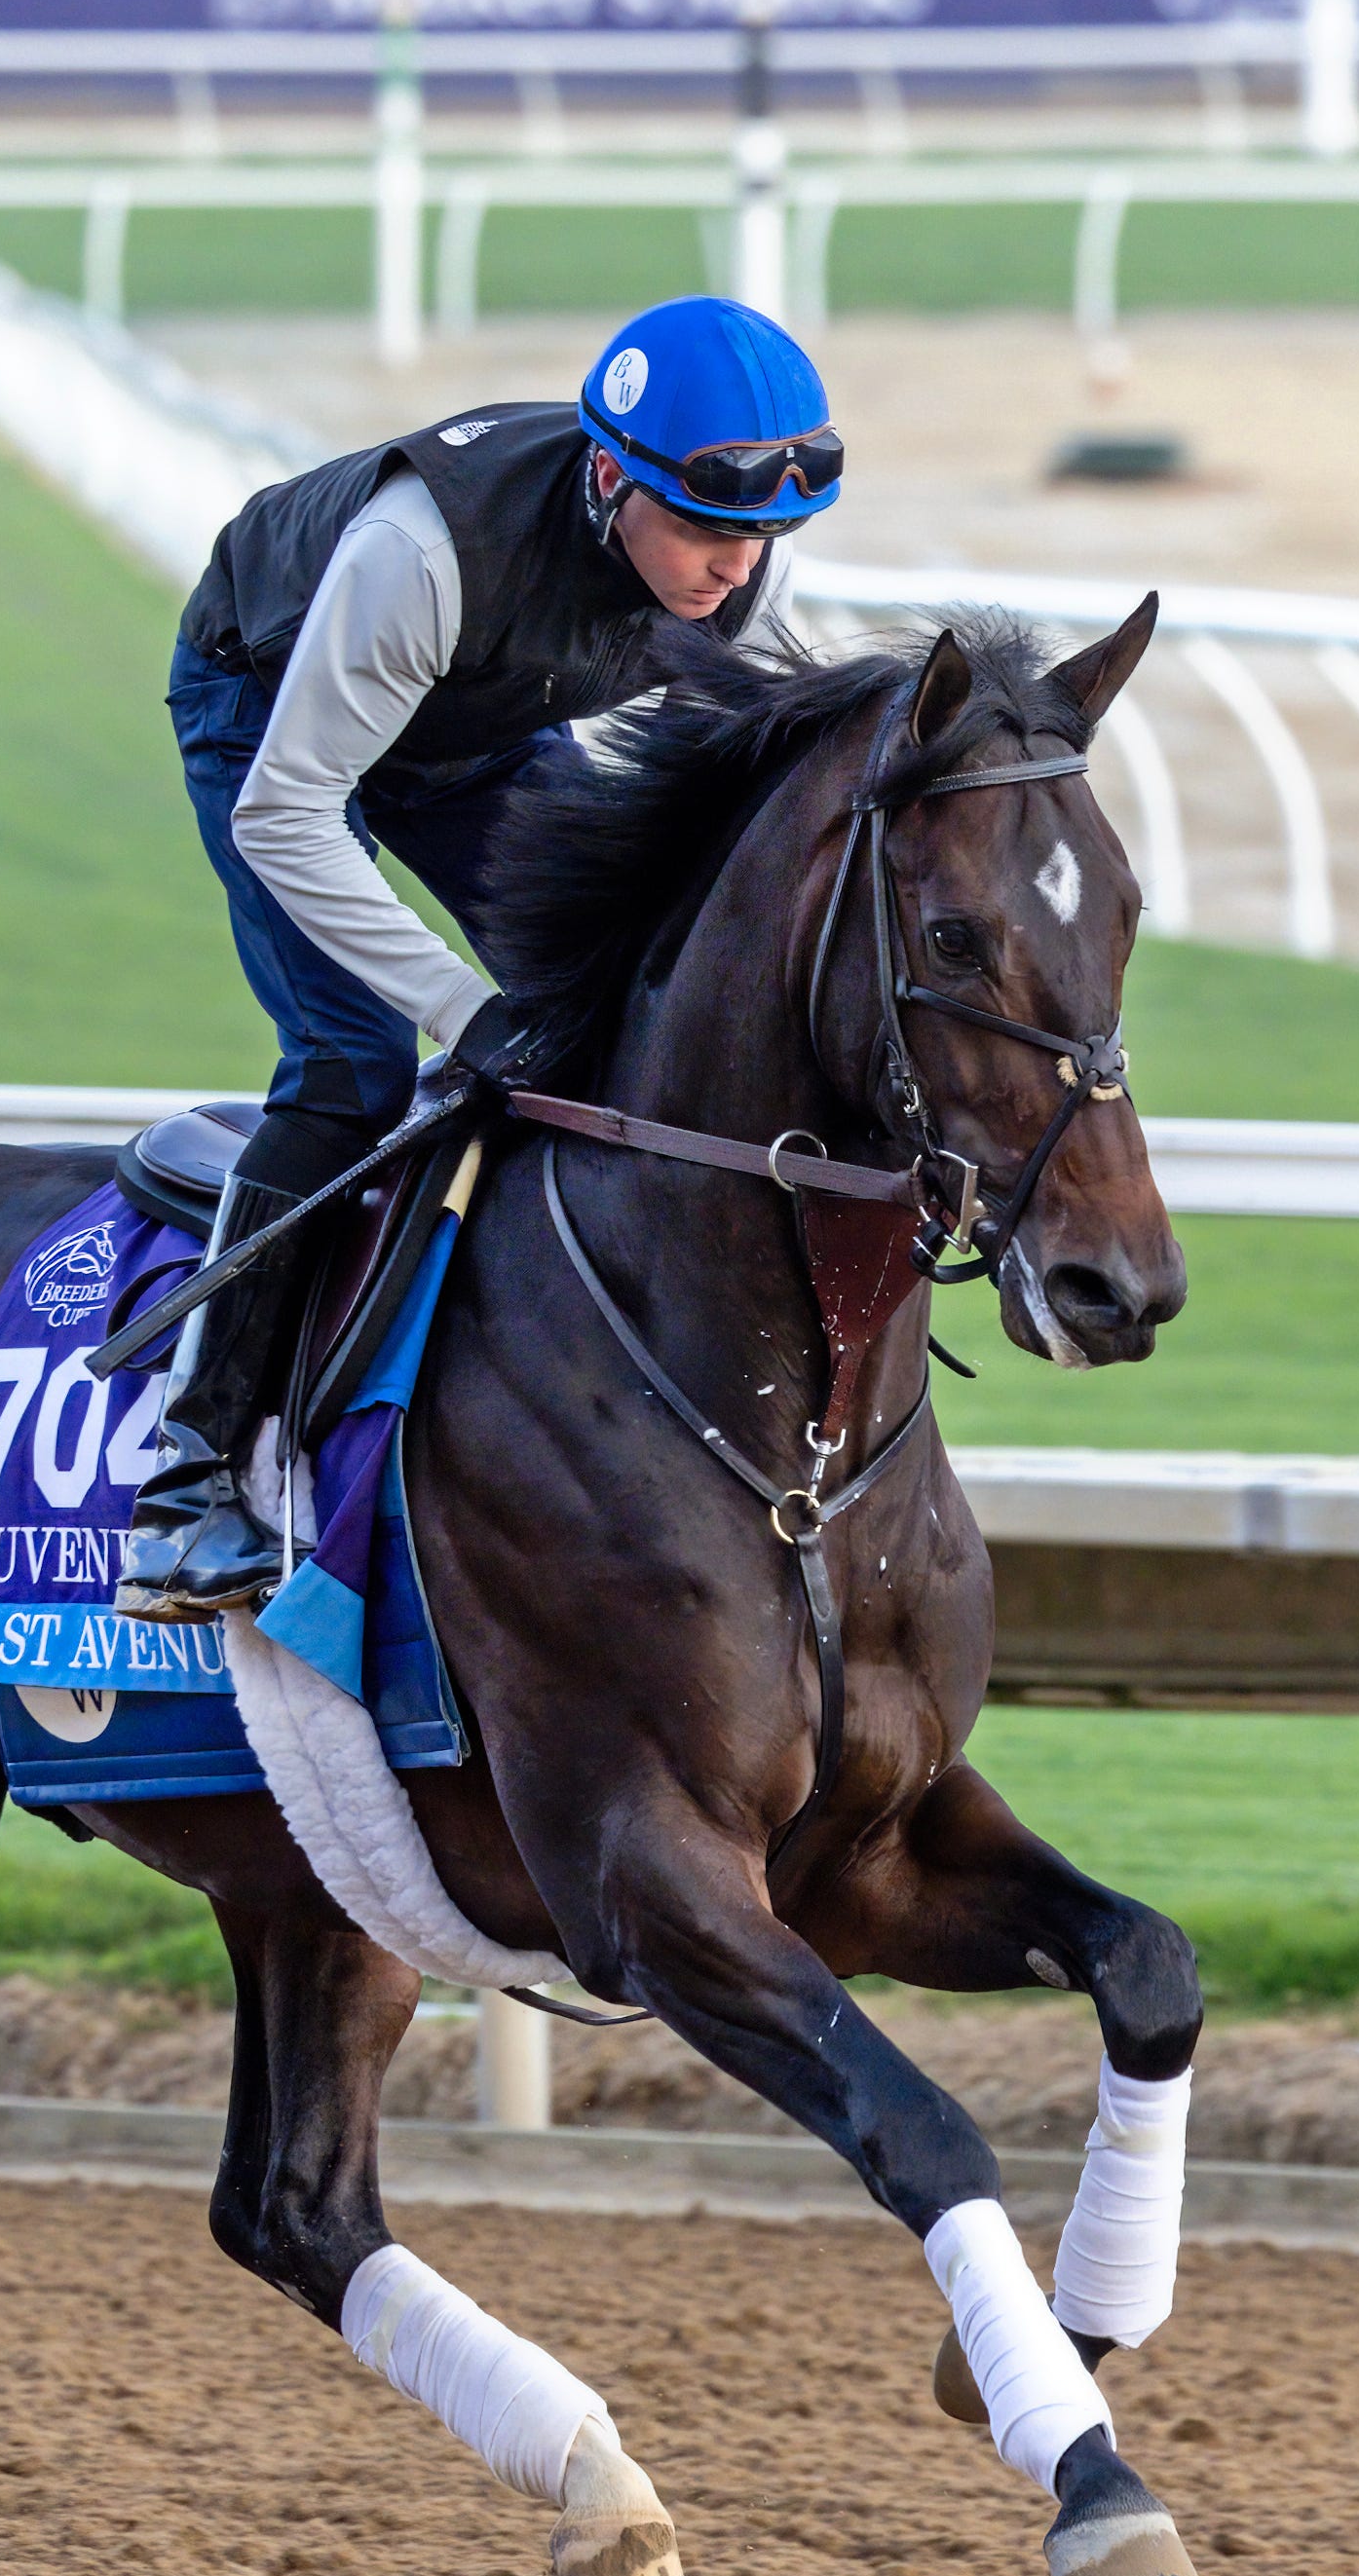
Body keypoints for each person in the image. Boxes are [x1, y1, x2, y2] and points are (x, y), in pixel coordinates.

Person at [117, 294, 846, 1622]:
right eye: (703, 532)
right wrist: (467, 1007)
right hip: (273, 713)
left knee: (625, 1009)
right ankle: (188, 1481)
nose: (733, 573)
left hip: (479, 728)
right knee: (353, 1060)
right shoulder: (419, 553)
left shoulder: (742, 567)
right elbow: (288, 812)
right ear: (610, 474)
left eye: (764, 539)